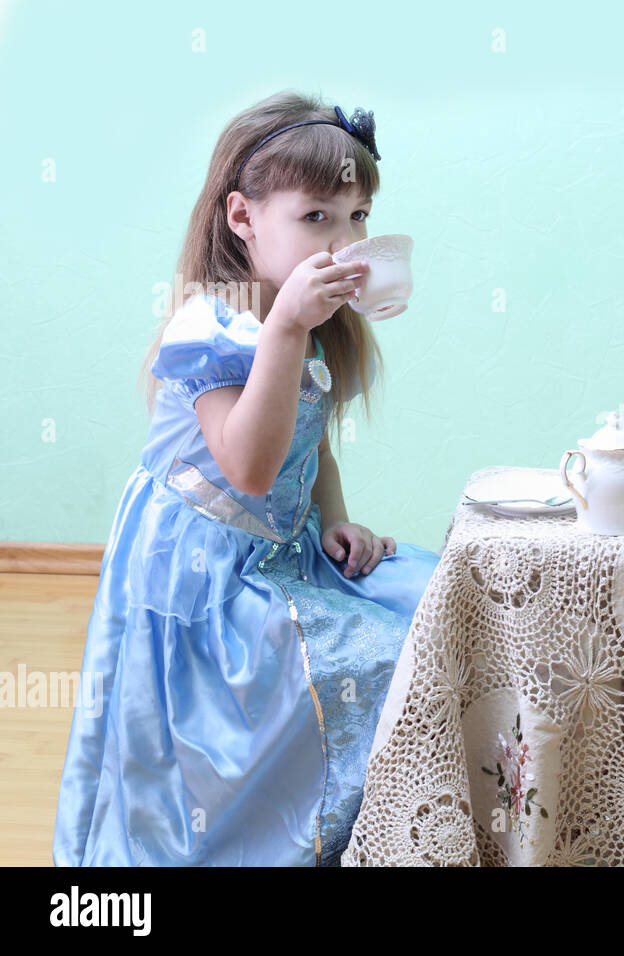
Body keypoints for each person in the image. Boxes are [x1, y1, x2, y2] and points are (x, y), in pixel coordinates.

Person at [53, 92, 441, 866]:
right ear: (242, 218)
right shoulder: (214, 326)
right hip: (200, 579)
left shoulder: (315, 329)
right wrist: (289, 330)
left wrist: (337, 517)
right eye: (317, 218)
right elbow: (250, 467)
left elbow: (312, 450)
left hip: (281, 554)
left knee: (430, 606)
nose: (346, 240)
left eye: (358, 217)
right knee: (375, 658)